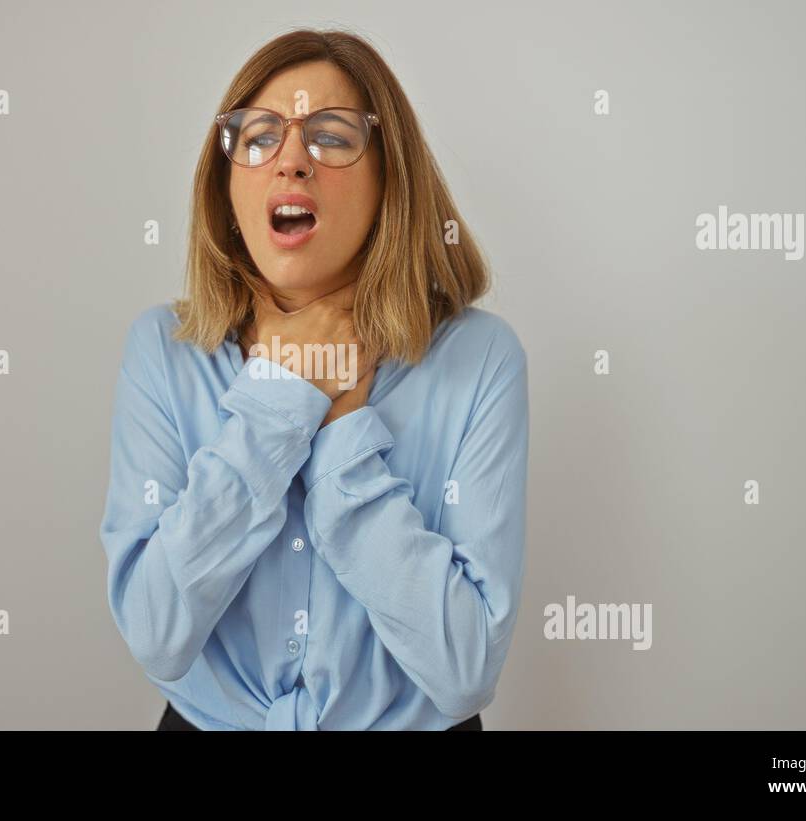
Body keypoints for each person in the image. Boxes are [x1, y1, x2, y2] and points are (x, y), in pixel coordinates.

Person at [99, 28, 529, 730]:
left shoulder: (482, 360)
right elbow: (156, 630)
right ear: (227, 183)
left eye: (330, 135)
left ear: (391, 178)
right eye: (260, 135)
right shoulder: (162, 350)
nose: (290, 160)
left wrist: (340, 430)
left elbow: (464, 670)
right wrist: (282, 400)